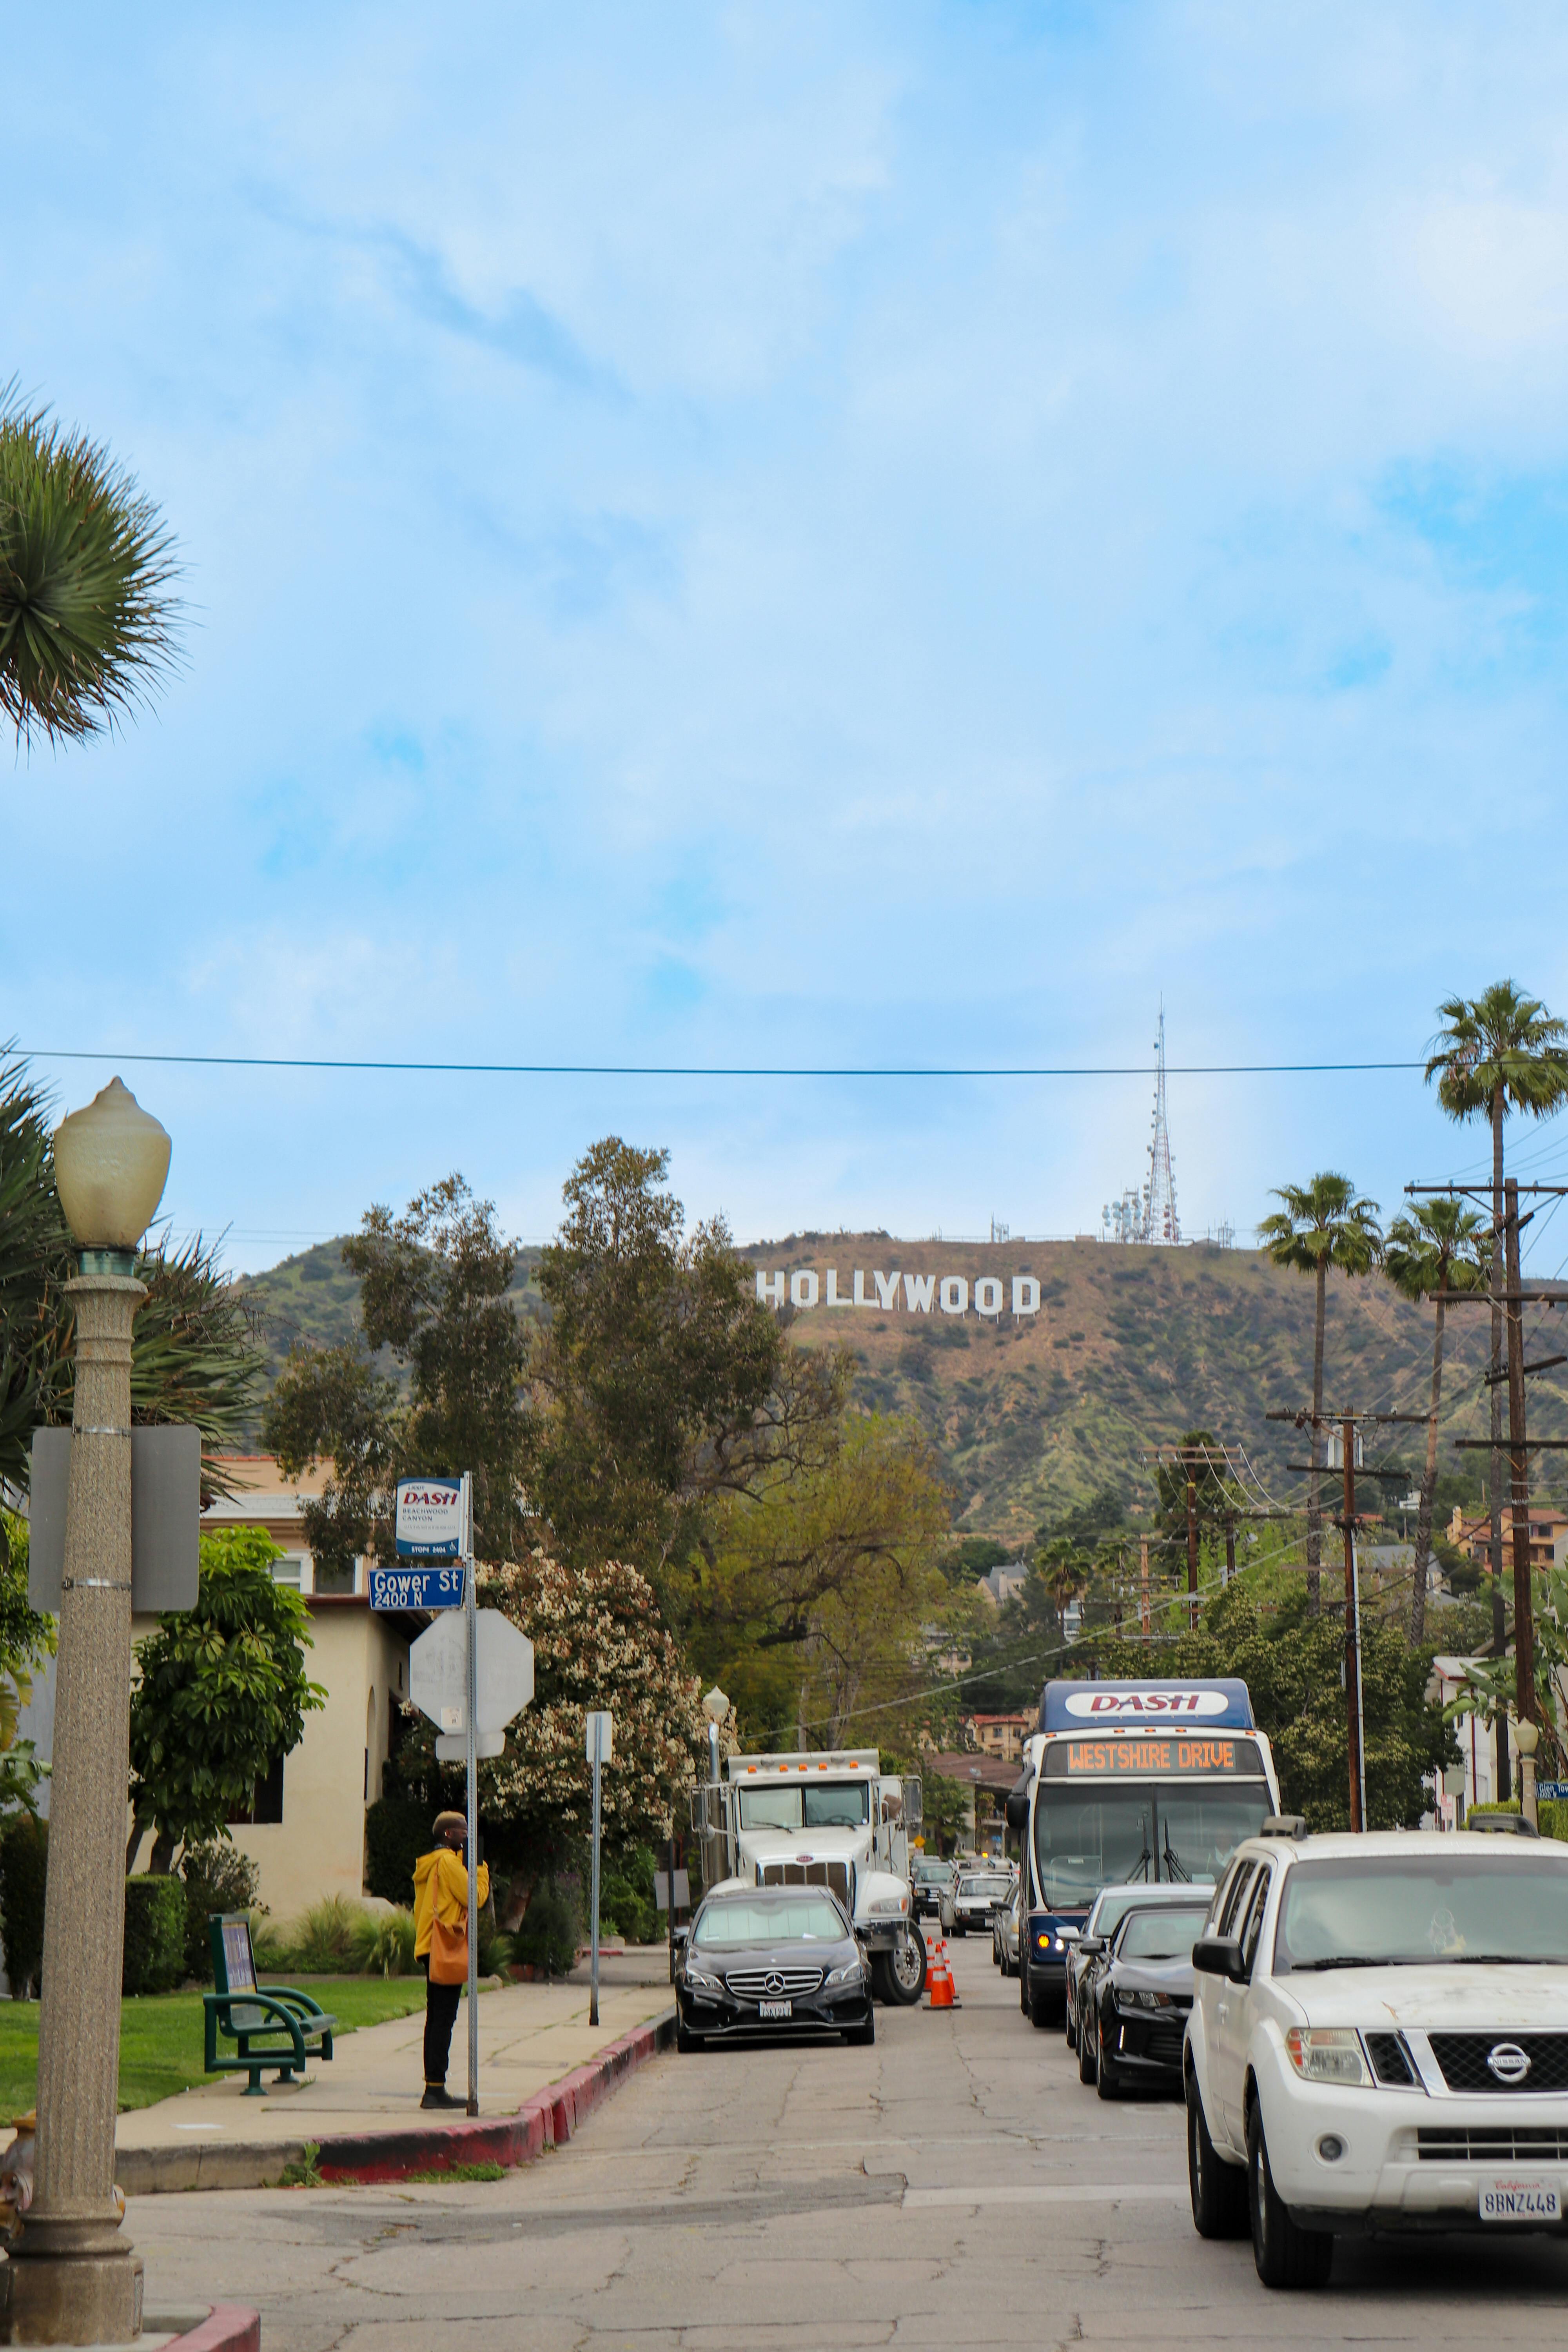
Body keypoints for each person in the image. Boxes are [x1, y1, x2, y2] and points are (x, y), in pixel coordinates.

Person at [412, 1809, 490, 2110]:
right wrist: (479, 1865)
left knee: (437, 2018)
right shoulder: (446, 1862)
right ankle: (435, 2091)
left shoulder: (432, 1863)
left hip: (430, 1944)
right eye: (463, 1831)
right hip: (445, 1945)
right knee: (444, 2019)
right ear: (448, 1834)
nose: (467, 1836)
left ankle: (434, 2085)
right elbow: (476, 1896)